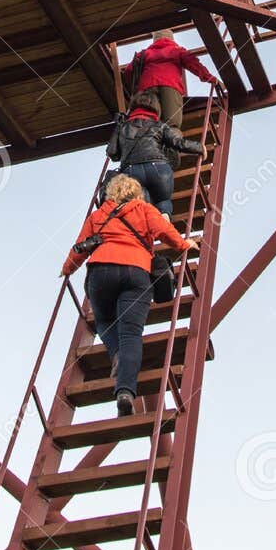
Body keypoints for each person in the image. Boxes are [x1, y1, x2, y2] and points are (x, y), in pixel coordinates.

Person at [61, 174, 196, 416]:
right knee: (131, 333)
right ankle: (124, 392)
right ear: (137, 193)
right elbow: (164, 230)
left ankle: (116, 354)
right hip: (136, 271)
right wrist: (185, 245)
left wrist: (67, 269)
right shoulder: (143, 209)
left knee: (103, 321)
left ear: (110, 193)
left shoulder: (99, 215)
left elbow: (80, 245)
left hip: (101, 271)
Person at [111, 88, 204, 216]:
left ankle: (147, 228)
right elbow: (178, 143)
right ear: (156, 107)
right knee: (163, 201)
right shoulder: (159, 125)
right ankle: (164, 220)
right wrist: (199, 147)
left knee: (143, 206)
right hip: (159, 169)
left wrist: (118, 128)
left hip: (132, 171)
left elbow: (113, 153)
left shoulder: (123, 126)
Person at [125, 29, 219, 132]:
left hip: (147, 88)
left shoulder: (144, 53)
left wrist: (134, 91)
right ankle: (171, 146)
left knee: (147, 121)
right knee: (172, 124)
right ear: (171, 38)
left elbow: (129, 71)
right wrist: (209, 78)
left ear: (154, 40)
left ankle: (148, 143)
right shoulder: (177, 50)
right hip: (171, 87)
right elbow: (194, 64)